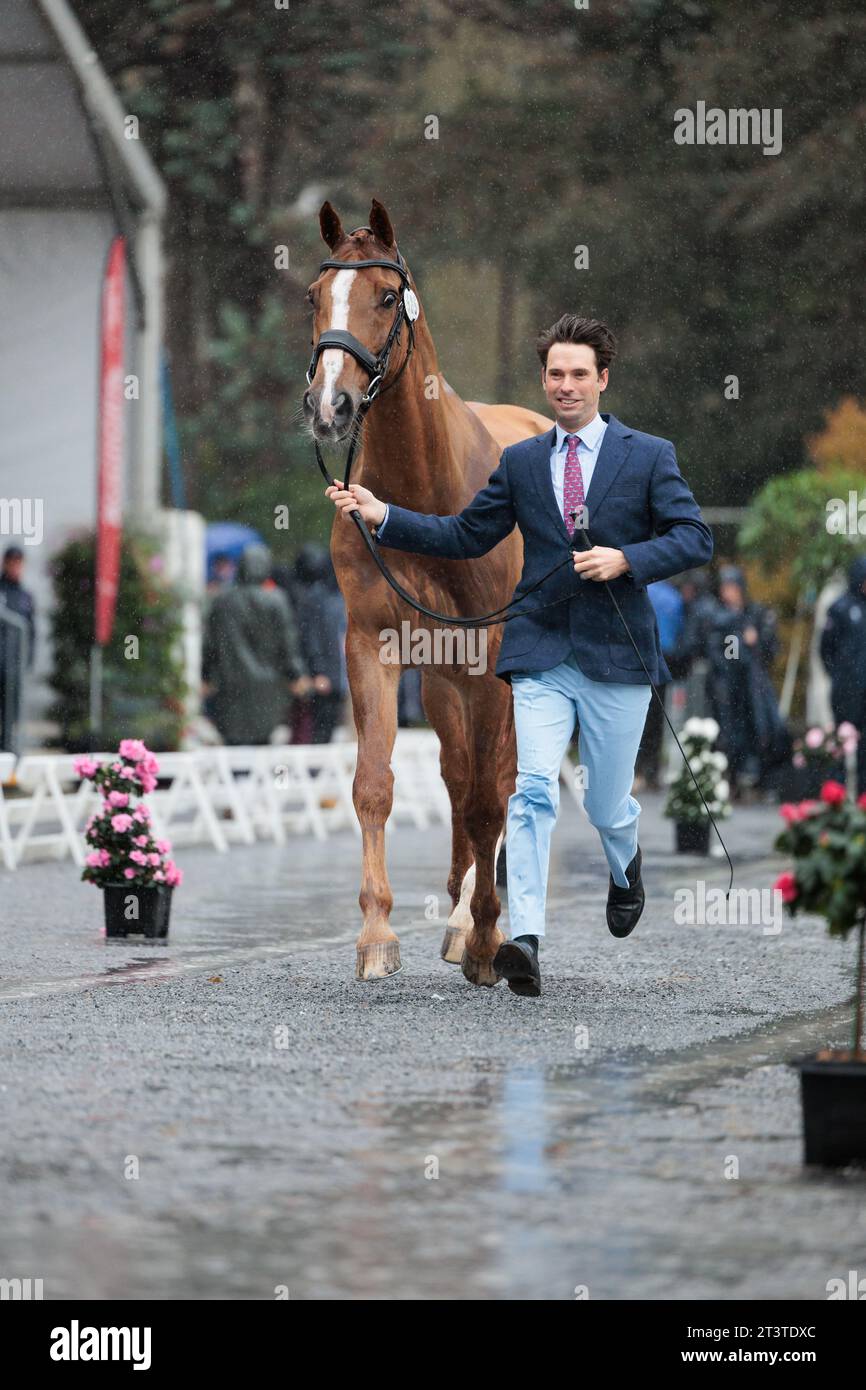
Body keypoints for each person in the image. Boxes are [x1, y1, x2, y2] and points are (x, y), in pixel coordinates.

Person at [326, 314, 713, 996]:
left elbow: (694, 538)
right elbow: (466, 534)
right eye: (555, 375)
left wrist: (628, 558)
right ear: (546, 381)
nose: (565, 387)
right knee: (532, 791)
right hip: (537, 647)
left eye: (578, 375)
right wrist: (382, 514)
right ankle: (521, 935)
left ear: (602, 380)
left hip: (615, 649)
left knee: (606, 801)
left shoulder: (648, 455)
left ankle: (625, 864)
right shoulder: (523, 462)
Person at [202, 542, 314, 746]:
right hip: (268, 687)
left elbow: (210, 645)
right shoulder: (277, 600)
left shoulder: (222, 601)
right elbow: (287, 644)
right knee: (261, 745)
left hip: (230, 684)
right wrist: (296, 675)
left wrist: (205, 676)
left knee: (232, 744)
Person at [704, 564, 787, 799]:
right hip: (726, 687)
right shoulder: (718, 616)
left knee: (762, 730)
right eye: (725, 587)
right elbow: (717, 651)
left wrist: (756, 641)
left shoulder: (755, 613)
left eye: (732, 587)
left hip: (752, 686)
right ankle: (731, 780)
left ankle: (758, 780)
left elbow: (770, 649)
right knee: (728, 735)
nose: (728, 592)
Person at [820, 554, 866, 794]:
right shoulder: (839, 608)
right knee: (840, 748)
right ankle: (834, 802)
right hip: (846, 693)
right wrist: (842, 675)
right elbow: (825, 649)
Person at [634, 579, 684, 790]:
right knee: (656, 718)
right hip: (664, 660)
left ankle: (634, 770)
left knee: (636, 717)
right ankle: (651, 770)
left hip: (638, 657)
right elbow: (680, 629)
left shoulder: (641, 590)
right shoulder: (674, 597)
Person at [294, 550, 348, 743]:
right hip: (325, 678)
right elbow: (311, 637)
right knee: (320, 731)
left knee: (330, 730)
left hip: (338, 676)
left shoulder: (340, 595)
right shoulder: (317, 597)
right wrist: (319, 671)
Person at [0, 546, 36, 753]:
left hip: (14, 667)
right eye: (11, 562)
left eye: (18, 562)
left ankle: (7, 753)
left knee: (10, 714)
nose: (14, 567)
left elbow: (31, 632)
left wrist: (27, 662)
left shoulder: (25, 596)